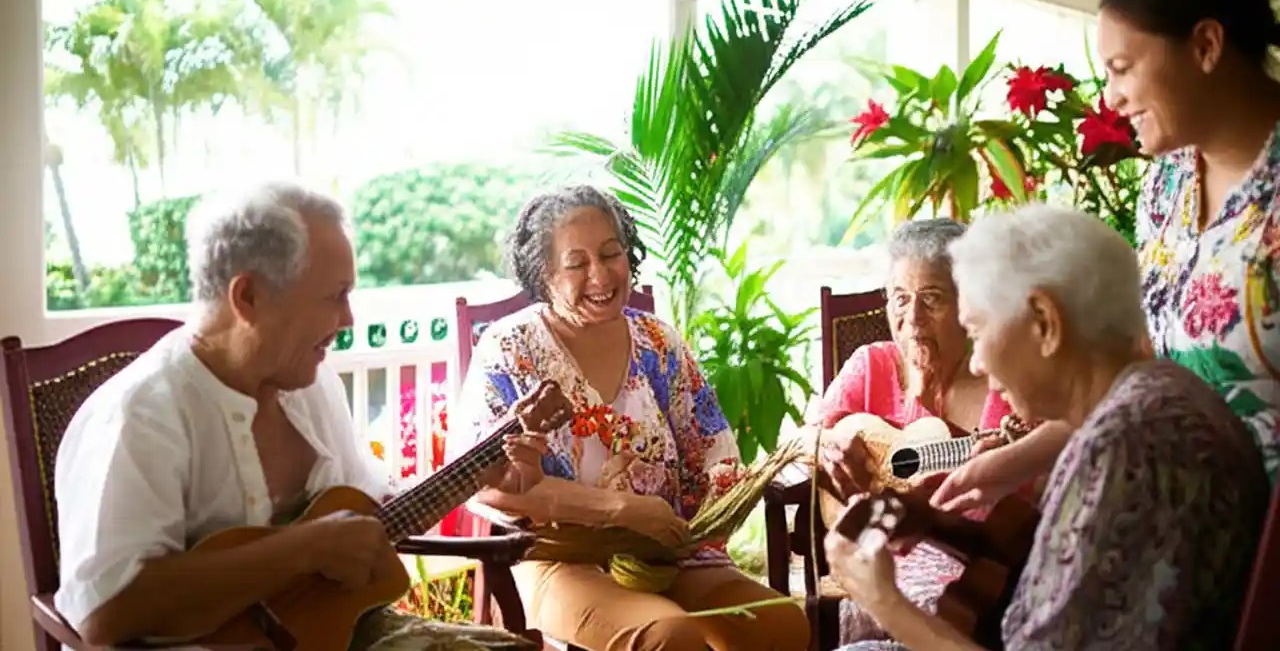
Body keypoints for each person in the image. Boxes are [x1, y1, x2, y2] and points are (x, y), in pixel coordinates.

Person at [54, 181, 553, 651]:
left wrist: (479, 470)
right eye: (335, 295)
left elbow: (371, 513)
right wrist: (304, 548)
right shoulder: (141, 416)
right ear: (247, 297)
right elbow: (105, 612)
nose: (348, 320)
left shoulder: (311, 385)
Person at [932, 0, 1280, 514]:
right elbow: (1142, 370)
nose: (1111, 97)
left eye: (1122, 69)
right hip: (1176, 516)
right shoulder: (1167, 185)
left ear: (1206, 46)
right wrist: (1018, 458)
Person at [827, 204, 1269, 651]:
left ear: (1044, 322)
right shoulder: (1159, 393)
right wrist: (939, 526)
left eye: (977, 333)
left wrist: (884, 600)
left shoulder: (1124, 448)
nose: (977, 362)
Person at [450, 185, 810, 651]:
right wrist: (621, 509)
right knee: (668, 637)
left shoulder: (659, 343)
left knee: (779, 623)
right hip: (558, 562)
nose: (600, 275)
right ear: (545, 275)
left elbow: (714, 456)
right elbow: (482, 481)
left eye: (611, 254)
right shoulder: (511, 349)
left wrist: (725, 497)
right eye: (577, 264)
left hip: (665, 557)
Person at [797, 219, 1022, 644]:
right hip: (875, 541)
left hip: (965, 556)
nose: (912, 317)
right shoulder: (872, 365)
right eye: (900, 299)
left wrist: (1000, 462)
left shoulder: (1002, 384)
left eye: (932, 299)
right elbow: (800, 440)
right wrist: (828, 445)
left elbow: (1018, 513)